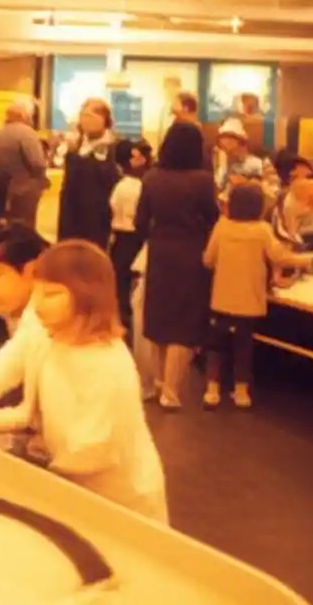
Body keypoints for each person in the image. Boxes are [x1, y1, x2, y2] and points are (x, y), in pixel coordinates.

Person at [0, 240, 168, 524]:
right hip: (76, 501)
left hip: (124, 504)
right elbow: (22, 411)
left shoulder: (108, 363)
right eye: (38, 293)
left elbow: (92, 453)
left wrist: (23, 478)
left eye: (52, 294)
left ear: (88, 296)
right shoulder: (49, 339)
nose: (39, 305)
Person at [202, 184, 313, 409]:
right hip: (249, 300)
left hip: (221, 298)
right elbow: (280, 257)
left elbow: (208, 260)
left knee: (216, 345)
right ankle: (242, 392)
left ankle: (212, 390)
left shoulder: (221, 227)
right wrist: (307, 260)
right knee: (243, 345)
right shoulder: (262, 230)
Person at [135, 121, 220, 411]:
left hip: (160, 251)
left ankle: (159, 382)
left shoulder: (151, 177)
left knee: (159, 319)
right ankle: (171, 392)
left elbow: (139, 222)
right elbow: (213, 218)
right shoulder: (203, 180)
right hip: (191, 253)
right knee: (183, 324)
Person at [57, 98, 119, 248]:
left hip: (101, 218)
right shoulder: (75, 148)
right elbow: (68, 188)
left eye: (91, 117)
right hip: (73, 219)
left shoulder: (115, 148)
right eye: (83, 117)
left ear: (105, 120)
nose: (86, 122)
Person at [108, 139, 152, 344]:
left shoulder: (121, 185)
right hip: (135, 237)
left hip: (120, 237)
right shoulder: (142, 186)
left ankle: (121, 319)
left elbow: (113, 208)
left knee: (120, 281)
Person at [0, 99, 48, 229]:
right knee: (25, 226)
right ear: (24, 115)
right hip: (26, 186)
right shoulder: (27, 133)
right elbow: (37, 163)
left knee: (9, 225)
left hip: (4, 186)